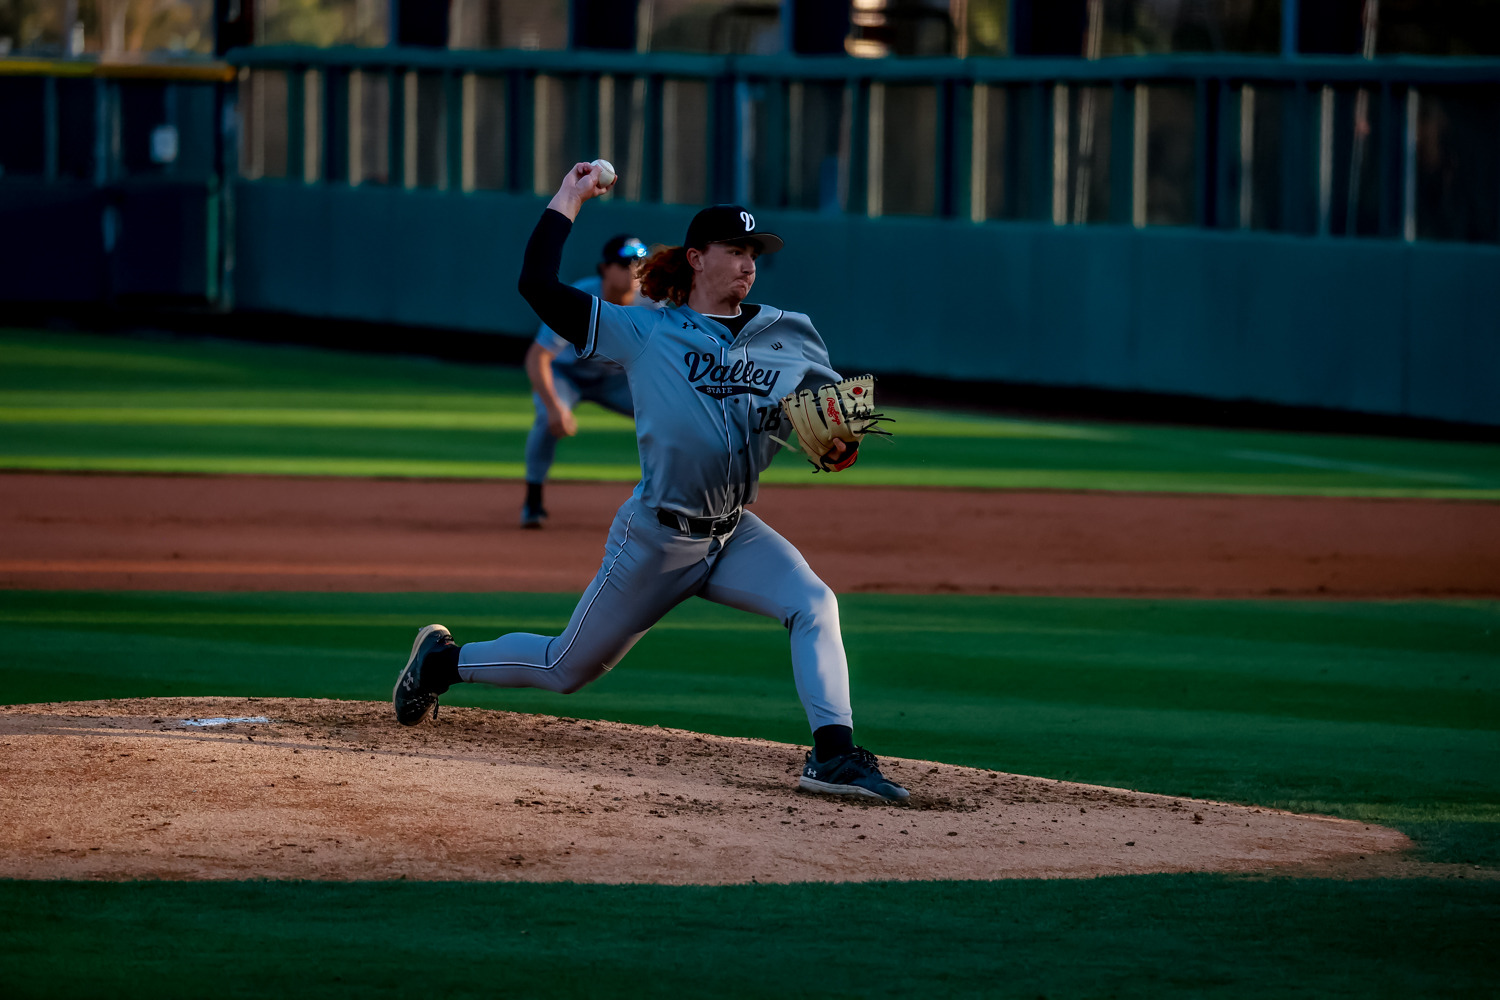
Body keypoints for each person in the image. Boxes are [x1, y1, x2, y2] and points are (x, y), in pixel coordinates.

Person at [393, 161, 909, 803]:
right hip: (657, 539)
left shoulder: (790, 333)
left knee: (815, 603)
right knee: (565, 668)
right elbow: (536, 283)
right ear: (697, 259)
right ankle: (442, 663)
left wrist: (838, 443)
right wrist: (568, 197)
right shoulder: (643, 330)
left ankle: (832, 755)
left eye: (756, 252)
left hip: (733, 534)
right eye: (736, 250)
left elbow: (831, 429)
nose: (750, 263)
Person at [521, 233, 653, 528]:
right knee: (546, 419)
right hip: (568, 376)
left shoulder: (653, 302)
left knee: (669, 416)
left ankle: (668, 500)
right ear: (605, 268)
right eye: (624, 263)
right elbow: (538, 357)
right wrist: (555, 407)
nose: (634, 269)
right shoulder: (581, 299)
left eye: (639, 262)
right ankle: (533, 500)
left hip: (618, 381)